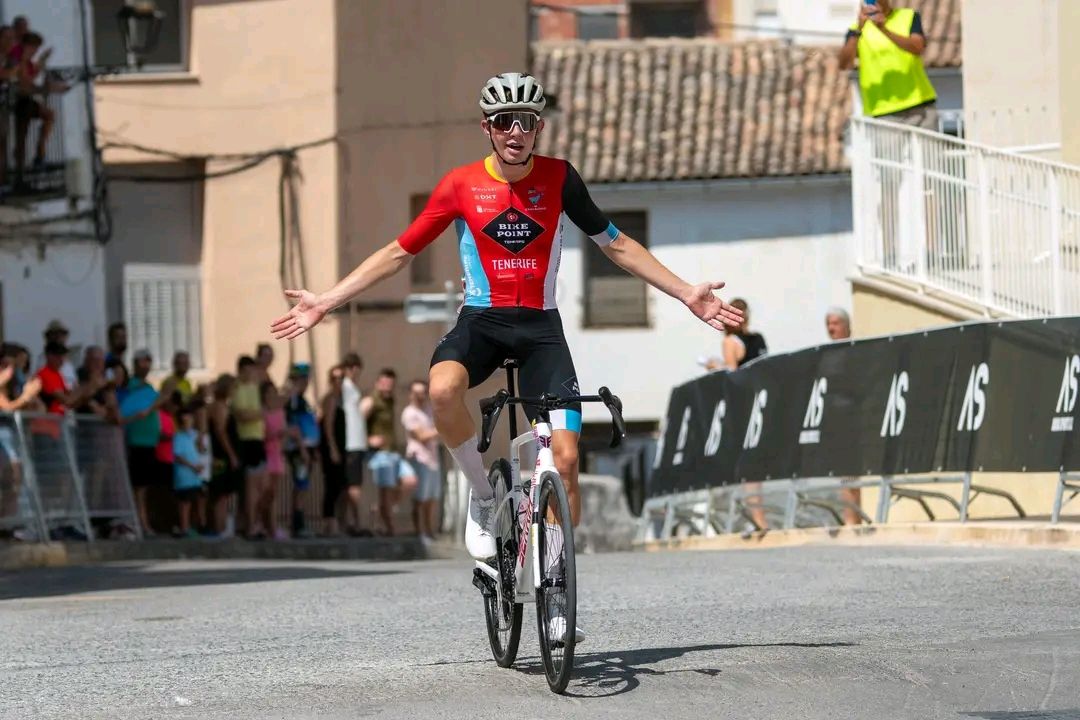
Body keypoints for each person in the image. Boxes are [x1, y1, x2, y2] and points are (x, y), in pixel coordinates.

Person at [270, 72, 744, 643]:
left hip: (542, 330)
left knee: (565, 460)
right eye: (504, 122)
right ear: (487, 129)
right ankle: (484, 491)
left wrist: (686, 291)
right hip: (483, 322)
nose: (515, 131)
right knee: (444, 390)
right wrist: (326, 299)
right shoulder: (461, 185)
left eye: (526, 121)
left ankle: (557, 584)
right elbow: (399, 252)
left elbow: (615, 243)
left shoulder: (560, 178)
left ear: (539, 127)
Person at [838, 0, 938, 130]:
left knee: (929, 151)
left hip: (919, 104)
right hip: (883, 111)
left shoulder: (908, 16)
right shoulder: (856, 30)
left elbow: (917, 47)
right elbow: (844, 64)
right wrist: (858, 29)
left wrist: (883, 29)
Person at [364, 368, 416, 536]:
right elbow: (356, 423)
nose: (387, 386)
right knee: (386, 491)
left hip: (393, 452)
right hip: (380, 455)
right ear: (377, 382)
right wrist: (367, 440)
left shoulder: (390, 400)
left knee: (410, 481)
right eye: (384, 382)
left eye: (390, 383)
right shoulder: (370, 401)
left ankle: (379, 510)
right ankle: (390, 528)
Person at [824, 307, 861, 526]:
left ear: (847, 326)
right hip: (836, 422)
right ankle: (850, 520)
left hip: (853, 419)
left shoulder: (855, 351)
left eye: (836, 323)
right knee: (845, 473)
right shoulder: (827, 354)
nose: (831, 327)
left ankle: (854, 520)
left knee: (853, 473)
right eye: (829, 323)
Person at [119, 349, 161, 535]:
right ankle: (141, 524)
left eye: (148, 361)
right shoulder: (132, 387)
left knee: (146, 486)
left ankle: (144, 522)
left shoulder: (150, 388)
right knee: (139, 487)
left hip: (150, 442)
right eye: (142, 361)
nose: (146, 365)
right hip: (136, 441)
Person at [402, 379, 441, 542]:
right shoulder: (409, 413)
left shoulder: (428, 411)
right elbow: (421, 436)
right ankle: (419, 532)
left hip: (432, 458)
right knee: (420, 498)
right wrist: (441, 429)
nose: (420, 396)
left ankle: (429, 530)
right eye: (417, 392)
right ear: (411, 394)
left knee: (431, 499)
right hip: (419, 458)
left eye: (423, 392)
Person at [13, 32, 55, 181]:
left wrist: (41, 64)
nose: (35, 52)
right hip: (18, 103)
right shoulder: (18, 60)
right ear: (27, 46)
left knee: (49, 115)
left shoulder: (27, 62)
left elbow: (30, 79)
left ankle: (39, 154)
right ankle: (21, 172)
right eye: (34, 48)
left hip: (25, 101)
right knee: (21, 140)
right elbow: (25, 81)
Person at [232, 356, 267, 539]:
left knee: (262, 486)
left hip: (259, 439)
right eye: (246, 371)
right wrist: (260, 413)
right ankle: (250, 525)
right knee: (250, 487)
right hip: (246, 440)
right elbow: (241, 414)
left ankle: (256, 522)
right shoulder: (237, 389)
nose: (250, 374)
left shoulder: (256, 388)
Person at [284, 363, 319, 536]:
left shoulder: (303, 400)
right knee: (301, 486)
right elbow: (294, 426)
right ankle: (298, 525)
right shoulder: (293, 401)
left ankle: (299, 523)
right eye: (303, 379)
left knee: (304, 487)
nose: (306, 383)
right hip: (299, 450)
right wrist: (303, 449)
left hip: (308, 448)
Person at [208, 374, 242, 537]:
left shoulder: (225, 406)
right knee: (220, 493)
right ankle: (220, 527)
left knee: (225, 493)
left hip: (224, 454)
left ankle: (222, 526)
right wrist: (231, 454)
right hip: (221, 455)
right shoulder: (219, 407)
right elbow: (220, 432)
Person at [341, 353, 369, 536]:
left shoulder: (350, 387)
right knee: (353, 484)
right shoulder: (345, 386)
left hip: (357, 441)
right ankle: (354, 521)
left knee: (353, 483)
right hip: (351, 441)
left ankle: (351, 521)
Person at [318, 365, 347, 536]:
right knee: (332, 484)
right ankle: (329, 523)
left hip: (342, 446)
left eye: (342, 378)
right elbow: (327, 426)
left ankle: (336, 521)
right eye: (335, 378)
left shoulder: (342, 398)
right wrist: (333, 448)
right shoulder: (330, 399)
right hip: (332, 447)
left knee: (340, 485)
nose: (339, 381)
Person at [172, 405, 204, 538]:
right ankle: (184, 528)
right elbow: (177, 456)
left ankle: (191, 526)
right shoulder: (178, 437)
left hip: (194, 477)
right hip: (183, 476)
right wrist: (192, 466)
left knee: (192, 501)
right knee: (184, 503)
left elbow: (201, 449)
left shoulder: (195, 435)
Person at [261, 380, 287, 540]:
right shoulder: (262, 412)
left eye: (274, 392)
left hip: (277, 453)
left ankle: (272, 527)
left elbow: (283, 431)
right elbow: (263, 435)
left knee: (273, 493)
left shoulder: (280, 412)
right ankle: (263, 523)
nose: (272, 395)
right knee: (266, 492)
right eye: (269, 393)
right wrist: (277, 434)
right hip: (266, 453)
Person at [36, 319, 77, 389]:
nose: (59, 337)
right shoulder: (44, 359)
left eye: (61, 334)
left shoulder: (69, 362)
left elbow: (74, 383)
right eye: (55, 334)